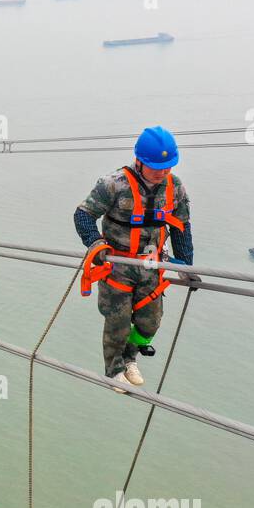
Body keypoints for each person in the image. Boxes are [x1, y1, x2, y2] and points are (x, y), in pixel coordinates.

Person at [73, 126, 194, 390]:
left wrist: (187, 265)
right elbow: (83, 215)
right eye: (155, 167)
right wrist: (96, 243)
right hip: (117, 265)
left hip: (152, 265)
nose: (161, 173)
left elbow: (181, 226)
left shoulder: (175, 187)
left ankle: (130, 358)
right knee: (117, 319)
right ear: (139, 161)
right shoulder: (114, 184)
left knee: (150, 322)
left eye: (167, 167)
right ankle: (114, 370)